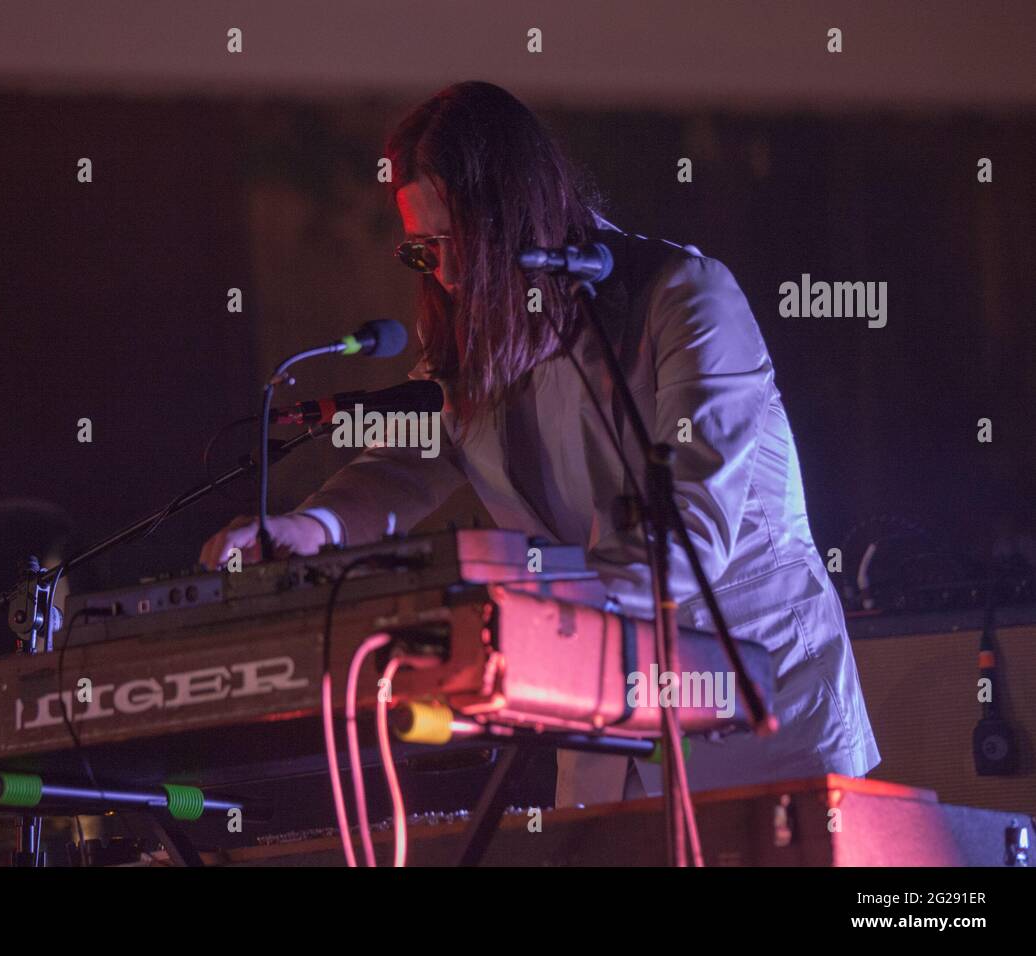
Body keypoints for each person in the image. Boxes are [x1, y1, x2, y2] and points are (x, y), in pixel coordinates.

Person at [200, 80, 880, 804]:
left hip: (762, 733)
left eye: (455, 241)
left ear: (516, 216)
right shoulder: (472, 329)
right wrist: (311, 526)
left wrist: (515, 620)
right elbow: (408, 454)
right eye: (422, 252)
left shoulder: (687, 298)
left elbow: (692, 535)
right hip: (599, 745)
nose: (449, 273)